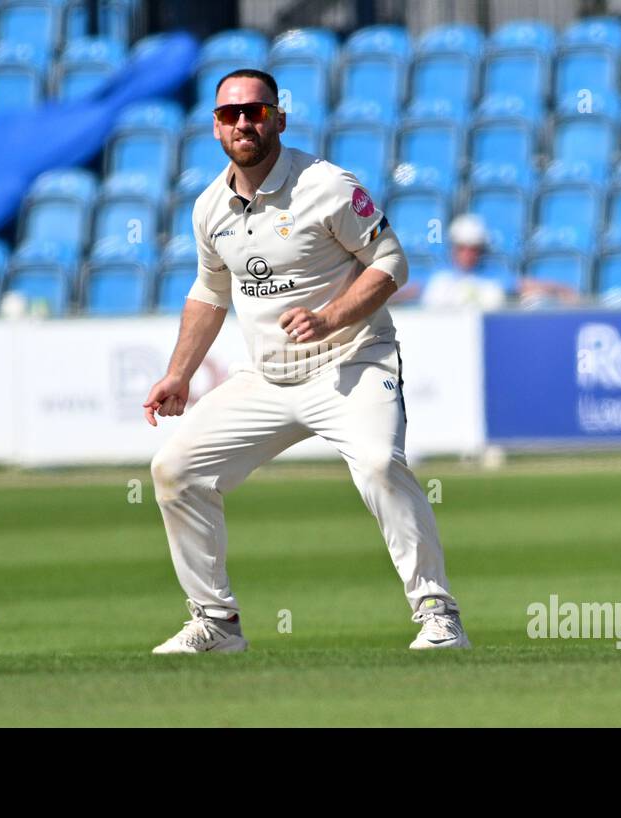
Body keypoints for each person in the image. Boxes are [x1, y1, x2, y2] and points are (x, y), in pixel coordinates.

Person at [143, 68, 469, 653]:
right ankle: (216, 623)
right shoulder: (210, 208)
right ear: (215, 129)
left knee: (376, 463)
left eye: (256, 111)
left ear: (279, 118)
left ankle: (437, 613)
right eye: (229, 114)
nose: (244, 122)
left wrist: (330, 318)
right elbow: (210, 292)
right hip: (267, 378)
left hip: (352, 361)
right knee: (174, 470)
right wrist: (180, 374)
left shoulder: (327, 186)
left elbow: (392, 264)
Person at [421, 214, 578, 308]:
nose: (468, 254)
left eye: (474, 248)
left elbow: (522, 285)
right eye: (462, 248)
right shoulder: (439, 278)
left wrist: (560, 289)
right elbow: (412, 290)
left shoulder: (493, 277)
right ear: (454, 248)